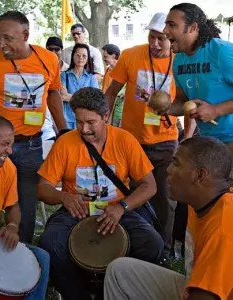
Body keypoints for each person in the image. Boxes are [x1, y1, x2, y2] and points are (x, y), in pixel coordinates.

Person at [37, 87, 163, 300]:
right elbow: (42, 188)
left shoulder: (124, 140)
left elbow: (149, 186)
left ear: (105, 117)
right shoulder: (66, 143)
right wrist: (63, 197)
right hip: (75, 211)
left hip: (117, 209)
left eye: (91, 123)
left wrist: (121, 207)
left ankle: (116, 290)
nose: (84, 129)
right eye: (78, 122)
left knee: (152, 243)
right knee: (50, 244)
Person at [0, 11, 67, 243]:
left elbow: (53, 93)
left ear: (25, 35)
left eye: (7, 38)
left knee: (26, 205)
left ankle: (19, 253)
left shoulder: (48, 59)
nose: (1, 44)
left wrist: (62, 130)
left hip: (31, 144)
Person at [104, 136, 233, 300]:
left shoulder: (224, 227)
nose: (168, 170)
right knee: (119, 272)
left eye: (176, 163)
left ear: (200, 175)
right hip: (193, 289)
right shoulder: (202, 202)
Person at [105, 12, 178, 259]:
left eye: (161, 39)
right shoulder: (131, 55)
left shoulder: (180, 62)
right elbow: (112, 90)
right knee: (129, 196)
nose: (155, 44)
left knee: (166, 200)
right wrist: (105, 119)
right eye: (151, 37)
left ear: (170, 37)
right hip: (131, 140)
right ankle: (130, 247)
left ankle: (164, 252)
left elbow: (189, 105)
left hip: (166, 142)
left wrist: (186, 138)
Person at [0, 114, 50, 300]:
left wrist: (13, 226)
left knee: (42, 258)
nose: (11, 151)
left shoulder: (8, 169)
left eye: (11, 144)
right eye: (5, 144)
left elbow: (13, 207)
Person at [163, 3, 233, 177]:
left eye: (172, 25)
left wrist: (215, 110)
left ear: (192, 27)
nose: (165, 30)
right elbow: (184, 101)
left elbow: (211, 110)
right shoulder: (178, 60)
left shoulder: (221, 51)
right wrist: (167, 108)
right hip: (210, 143)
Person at [61, 43, 99, 129]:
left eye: (84, 56)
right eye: (77, 55)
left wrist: (69, 96)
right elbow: (63, 96)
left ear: (87, 58)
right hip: (67, 120)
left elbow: (94, 100)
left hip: (86, 121)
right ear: (73, 56)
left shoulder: (91, 78)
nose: (81, 58)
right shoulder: (64, 75)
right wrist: (85, 98)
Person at [102, 44, 124, 127]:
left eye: (105, 57)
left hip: (119, 113)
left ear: (113, 56)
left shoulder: (124, 70)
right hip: (108, 109)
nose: (104, 59)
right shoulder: (107, 70)